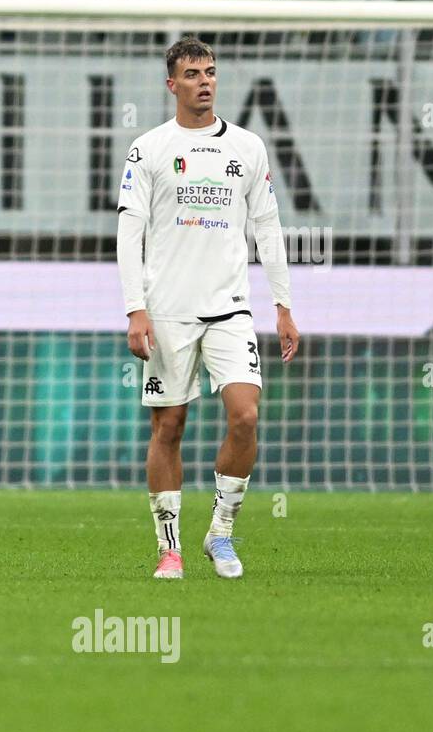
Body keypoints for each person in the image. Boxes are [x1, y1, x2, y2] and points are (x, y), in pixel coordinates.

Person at [115, 36, 300, 580]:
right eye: (193, 73)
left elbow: (266, 226)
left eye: (211, 71)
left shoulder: (248, 147)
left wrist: (283, 305)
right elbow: (129, 233)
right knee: (168, 426)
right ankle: (168, 547)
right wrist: (135, 309)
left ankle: (220, 532)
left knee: (245, 414)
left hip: (230, 308)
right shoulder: (148, 148)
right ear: (171, 84)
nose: (205, 81)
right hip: (167, 309)